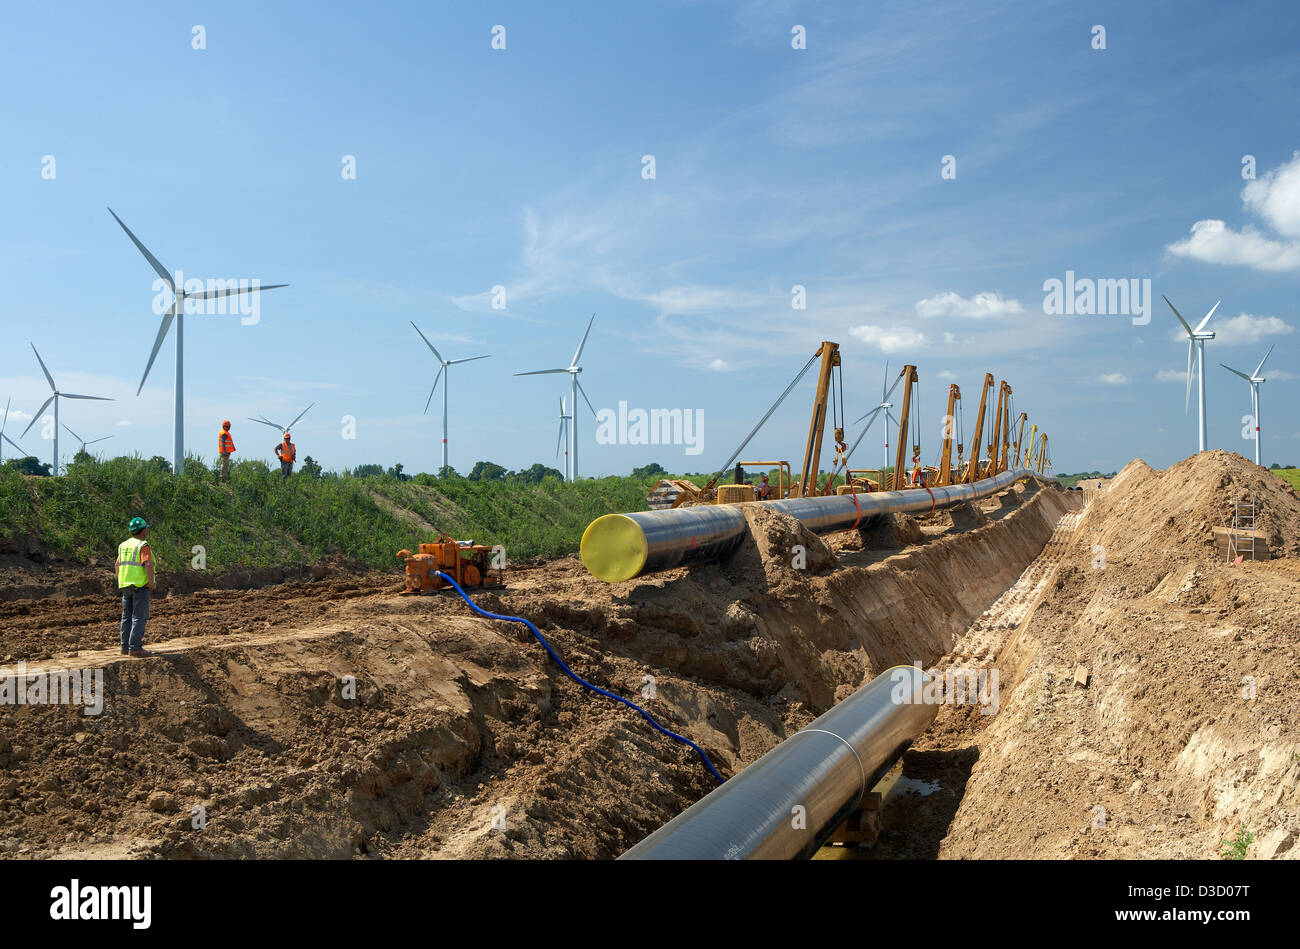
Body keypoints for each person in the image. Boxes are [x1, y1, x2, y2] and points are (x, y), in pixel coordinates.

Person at [116, 516, 155, 657]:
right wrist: (151, 583)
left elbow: (117, 565)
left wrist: (121, 580)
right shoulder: (142, 546)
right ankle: (135, 647)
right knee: (139, 616)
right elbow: (148, 564)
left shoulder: (123, 546)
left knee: (126, 616)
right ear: (143, 531)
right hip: (140, 586)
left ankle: (124, 647)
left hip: (126, 585)